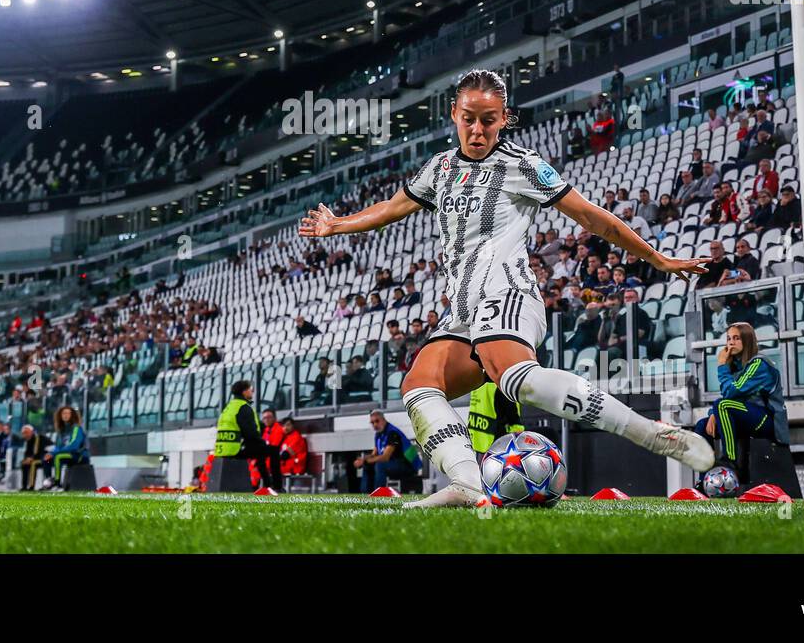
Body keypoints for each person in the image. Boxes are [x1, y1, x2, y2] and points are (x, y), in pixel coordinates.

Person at [299, 67, 712, 507]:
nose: (478, 129)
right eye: (470, 118)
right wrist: (337, 225)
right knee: (419, 383)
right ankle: (469, 485)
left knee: (514, 379)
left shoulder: (523, 166)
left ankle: (652, 433)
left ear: (505, 118)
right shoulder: (438, 169)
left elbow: (591, 217)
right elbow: (393, 207)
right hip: (462, 311)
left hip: (508, 294)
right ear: (454, 114)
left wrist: (656, 258)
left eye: (489, 120)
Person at [693, 323, 788, 469]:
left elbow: (732, 392)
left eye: (736, 338)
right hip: (745, 416)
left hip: (767, 420)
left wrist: (721, 366)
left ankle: (730, 462)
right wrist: (714, 413)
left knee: (722, 405)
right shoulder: (735, 366)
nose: (731, 342)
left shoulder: (759, 364)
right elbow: (728, 395)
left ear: (747, 340)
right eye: (729, 338)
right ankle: (706, 475)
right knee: (702, 425)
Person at [213, 380, 282, 490]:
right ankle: (277, 487)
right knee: (273, 451)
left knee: (260, 451)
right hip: (235, 449)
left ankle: (267, 485)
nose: (252, 392)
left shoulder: (228, 407)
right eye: (250, 389)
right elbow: (250, 433)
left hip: (223, 448)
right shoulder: (244, 407)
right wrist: (261, 441)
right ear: (244, 392)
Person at [354, 410, 422, 492]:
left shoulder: (392, 433)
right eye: (372, 423)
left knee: (380, 465)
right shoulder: (378, 434)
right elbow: (374, 454)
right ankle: (365, 494)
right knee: (368, 465)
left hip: (408, 465)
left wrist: (365, 460)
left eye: (377, 421)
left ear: (383, 420)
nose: (375, 425)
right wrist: (363, 460)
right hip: (394, 463)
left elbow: (385, 457)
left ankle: (379, 493)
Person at [468, 382, 524, 454]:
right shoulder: (502, 386)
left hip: (478, 440)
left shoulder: (478, 382)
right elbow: (512, 416)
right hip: (498, 444)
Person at [43, 405, 90, 488]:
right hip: (66, 454)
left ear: (72, 415)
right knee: (46, 458)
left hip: (79, 455)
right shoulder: (61, 430)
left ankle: (57, 484)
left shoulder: (76, 428)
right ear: (60, 416)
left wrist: (55, 453)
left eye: (68, 413)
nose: (66, 415)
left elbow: (74, 446)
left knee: (58, 457)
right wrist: (51, 453)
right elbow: (58, 446)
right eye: (64, 413)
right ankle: (49, 480)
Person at [19, 424, 48, 491]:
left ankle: (31, 486)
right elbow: (27, 453)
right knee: (24, 464)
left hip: (47, 459)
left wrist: (31, 458)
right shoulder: (29, 440)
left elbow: (39, 451)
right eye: (23, 433)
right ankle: (24, 486)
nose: (24, 435)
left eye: (26, 432)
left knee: (33, 463)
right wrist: (26, 459)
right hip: (37, 458)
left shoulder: (38, 437)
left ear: (31, 431)